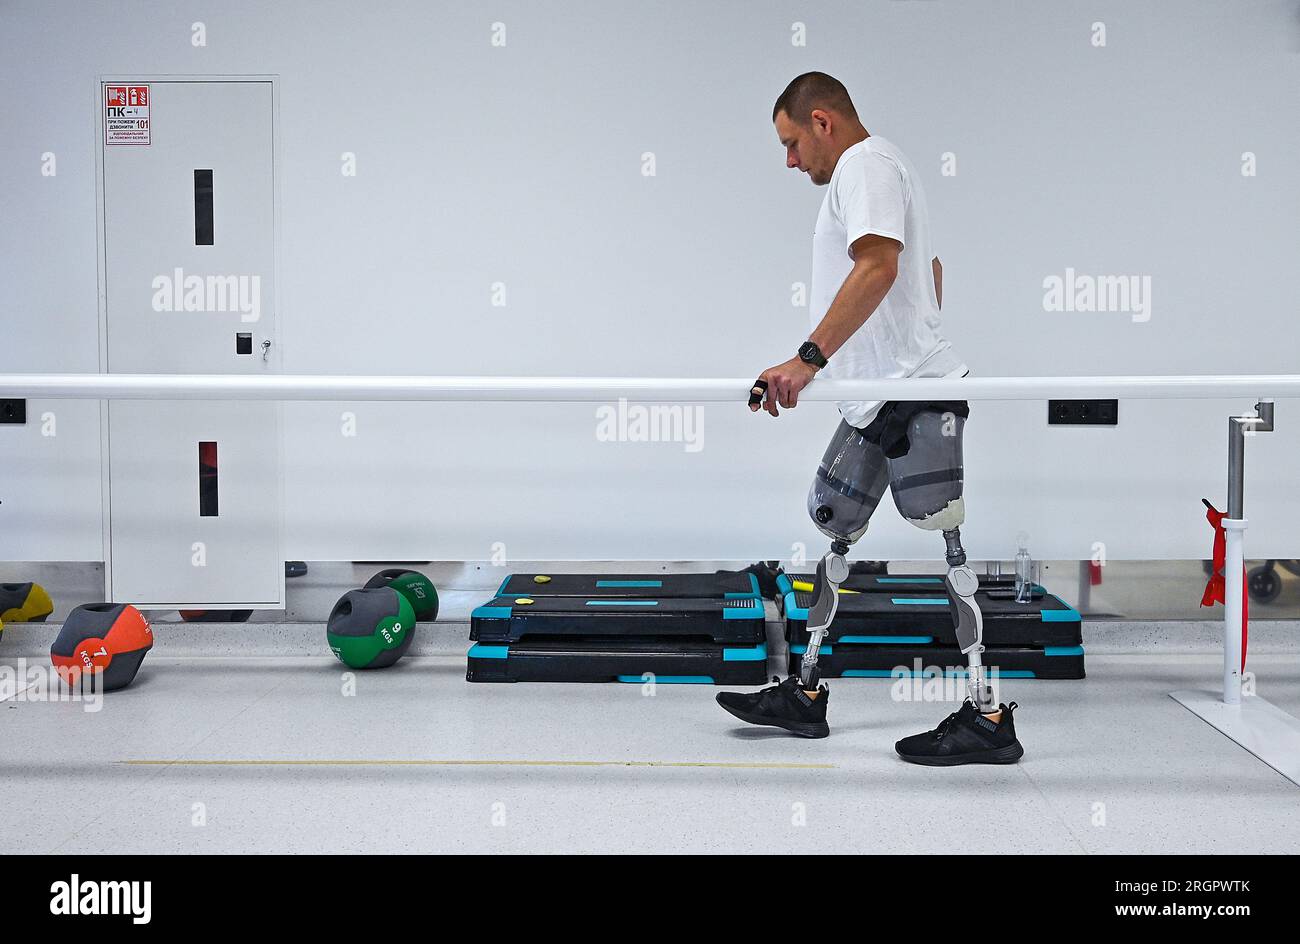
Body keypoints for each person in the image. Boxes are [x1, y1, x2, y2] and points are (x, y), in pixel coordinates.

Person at [715, 73, 1023, 765]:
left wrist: (807, 359)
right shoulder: (874, 171)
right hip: (874, 395)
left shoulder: (866, 165)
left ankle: (987, 716)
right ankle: (804, 694)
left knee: (947, 540)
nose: (791, 162)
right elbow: (924, 268)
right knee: (834, 525)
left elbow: (880, 265)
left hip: (914, 395)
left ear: (822, 122)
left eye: (793, 144)